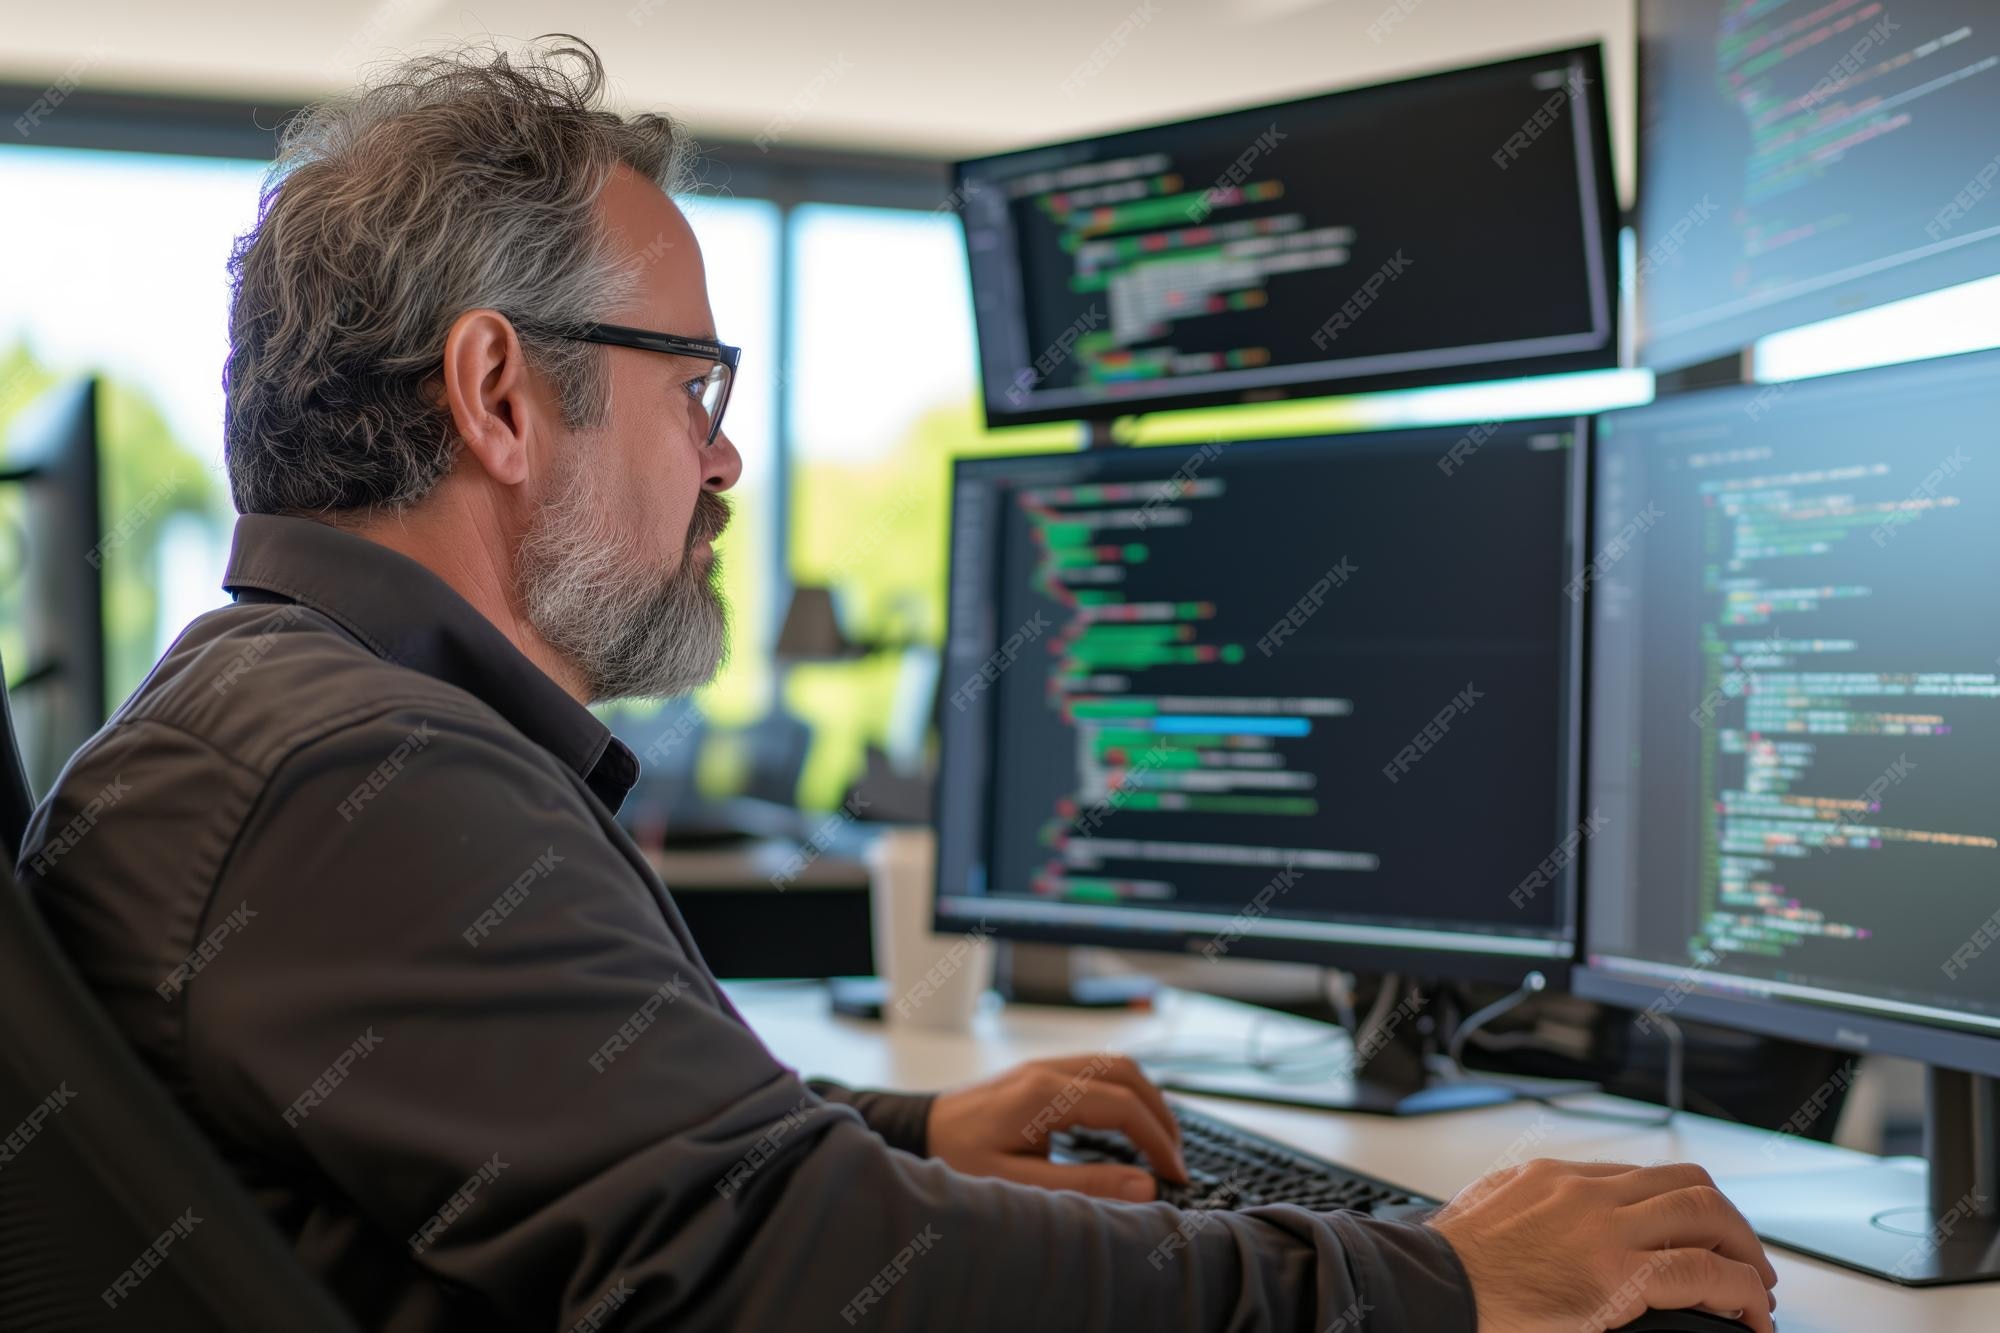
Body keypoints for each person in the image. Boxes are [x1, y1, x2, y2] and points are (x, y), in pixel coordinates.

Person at [19, 35, 1778, 1333]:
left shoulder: (285, 718)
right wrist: (1436, 1278)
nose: (723, 459)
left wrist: (903, 1128)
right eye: (693, 384)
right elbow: (806, 1278)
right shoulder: (363, 778)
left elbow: (603, 1149)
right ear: (496, 395)